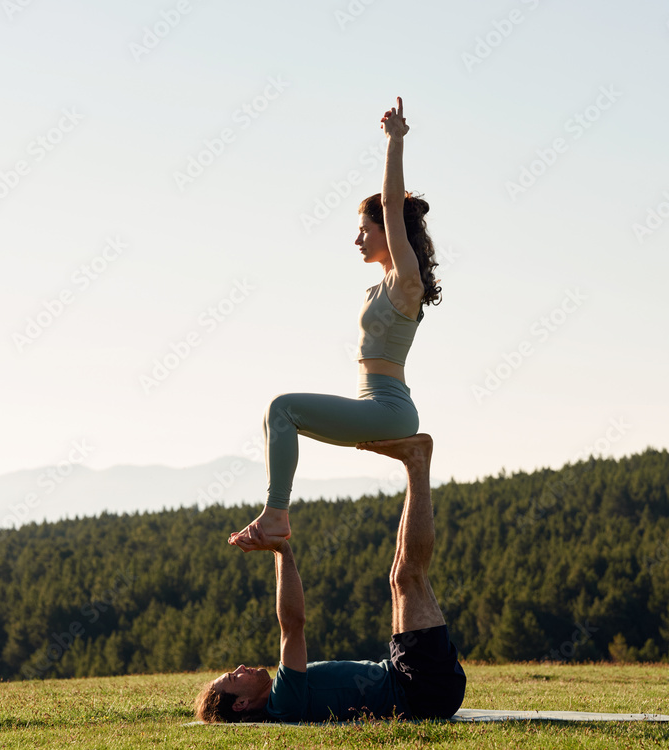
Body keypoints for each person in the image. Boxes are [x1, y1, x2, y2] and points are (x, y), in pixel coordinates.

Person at [228, 97, 442, 551]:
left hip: (390, 410)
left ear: (389, 231)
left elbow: (390, 201)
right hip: (377, 404)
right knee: (277, 416)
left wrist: (394, 142)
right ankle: (276, 513)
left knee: (282, 407)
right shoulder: (381, 286)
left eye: (366, 228)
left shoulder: (406, 283)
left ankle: (276, 515)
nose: (358, 238)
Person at [197, 433, 466, 723]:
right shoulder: (283, 701)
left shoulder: (281, 695)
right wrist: (281, 550)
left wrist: (279, 550)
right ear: (242, 704)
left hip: (405, 673)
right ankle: (416, 463)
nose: (239, 668)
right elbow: (292, 625)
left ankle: (414, 462)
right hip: (422, 689)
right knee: (408, 576)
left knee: (398, 578)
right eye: (233, 678)